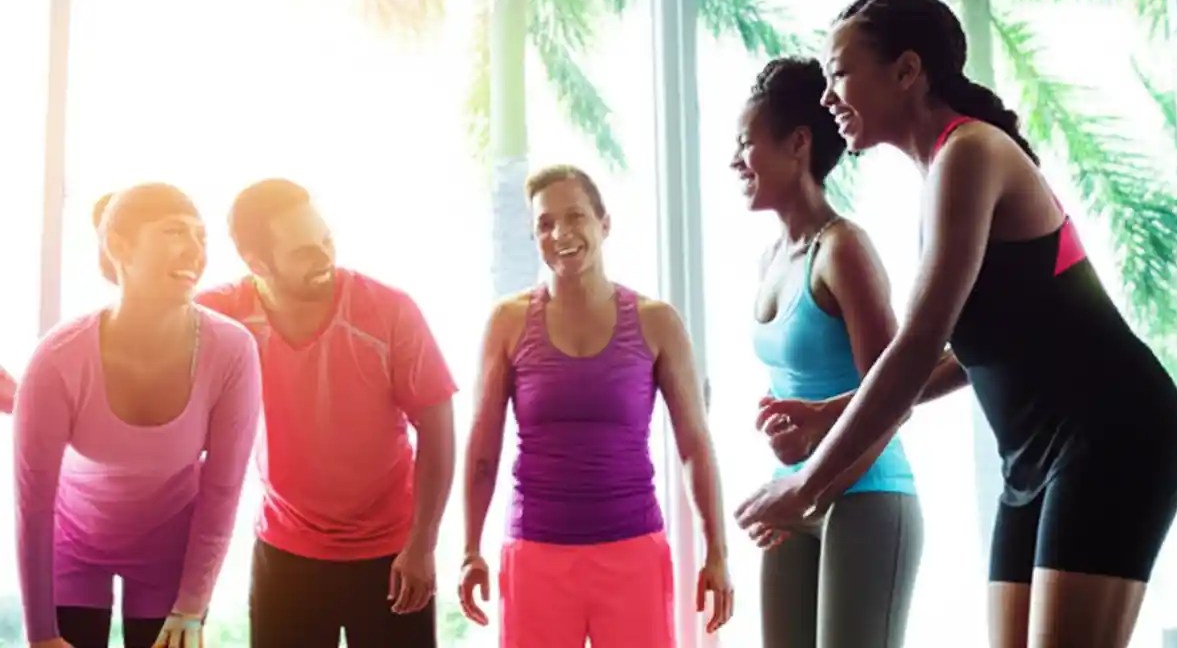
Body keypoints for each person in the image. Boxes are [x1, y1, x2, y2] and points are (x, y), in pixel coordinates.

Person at [733, 0, 1177, 648]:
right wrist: (832, 409)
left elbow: (916, 345)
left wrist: (808, 484)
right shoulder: (944, 169)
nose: (828, 96)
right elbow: (971, 355)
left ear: (907, 71)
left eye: (839, 72)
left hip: (1112, 435)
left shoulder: (970, 153)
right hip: (1032, 460)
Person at [735, 56, 966, 647]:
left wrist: (816, 467)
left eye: (746, 144)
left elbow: (895, 398)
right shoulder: (769, 261)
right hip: (793, 494)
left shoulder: (843, 251)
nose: (736, 161)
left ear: (798, 143)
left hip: (865, 495)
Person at [457, 165, 734, 647]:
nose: (561, 233)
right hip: (536, 550)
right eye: (545, 224)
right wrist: (468, 549)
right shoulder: (507, 322)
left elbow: (694, 444)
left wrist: (718, 553)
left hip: (632, 550)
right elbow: (483, 447)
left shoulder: (657, 322)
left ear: (604, 224)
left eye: (575, 217)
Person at [195, 178, 457, 647]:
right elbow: (141, 333)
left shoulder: (389, 311)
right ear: (257, 262)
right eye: (303, 252)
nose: (324, 258)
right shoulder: (221, 316)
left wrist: (422, 544)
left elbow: (437, 427)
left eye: (326, 240)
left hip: (392, 555)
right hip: (285, 553)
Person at [15, 184, 262, 648]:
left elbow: (222, 490)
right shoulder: (58, 356)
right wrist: (41, 636)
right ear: (119, 246)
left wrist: (192, 606)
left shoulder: (232, 350)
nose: (195, 250)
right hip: (73, 547)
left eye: (201, 236)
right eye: (174, 231)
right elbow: (33, 501)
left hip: (171, 553)